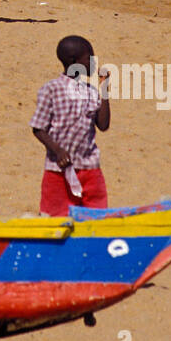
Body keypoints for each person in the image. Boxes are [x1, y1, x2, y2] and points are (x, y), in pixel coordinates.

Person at [32, 36, 111, 217]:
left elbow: (103, 125)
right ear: (74, 61)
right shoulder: (51, 90)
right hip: (58, 171)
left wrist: (104, 89)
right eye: (89, 57)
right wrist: (58, 150)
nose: (93, 61)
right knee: (55, 219)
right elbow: (38, 128)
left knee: (95, 219)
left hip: (89, 168)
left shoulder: (91, 92)